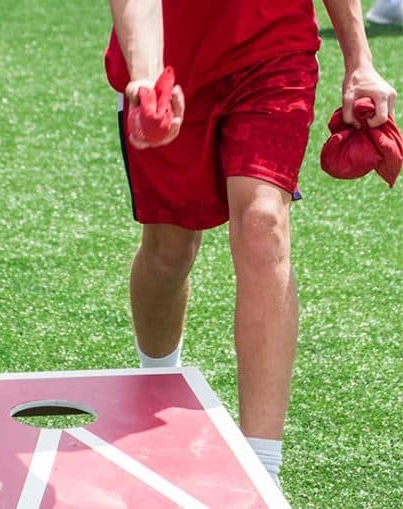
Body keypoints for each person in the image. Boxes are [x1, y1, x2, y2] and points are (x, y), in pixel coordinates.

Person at [106, 0, 396, 489]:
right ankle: (158, 380)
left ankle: (262, 474)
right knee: (169, 252)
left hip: (273, 50)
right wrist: (149, 75)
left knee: (264, 225)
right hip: (171, 63)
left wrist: (359, 60)